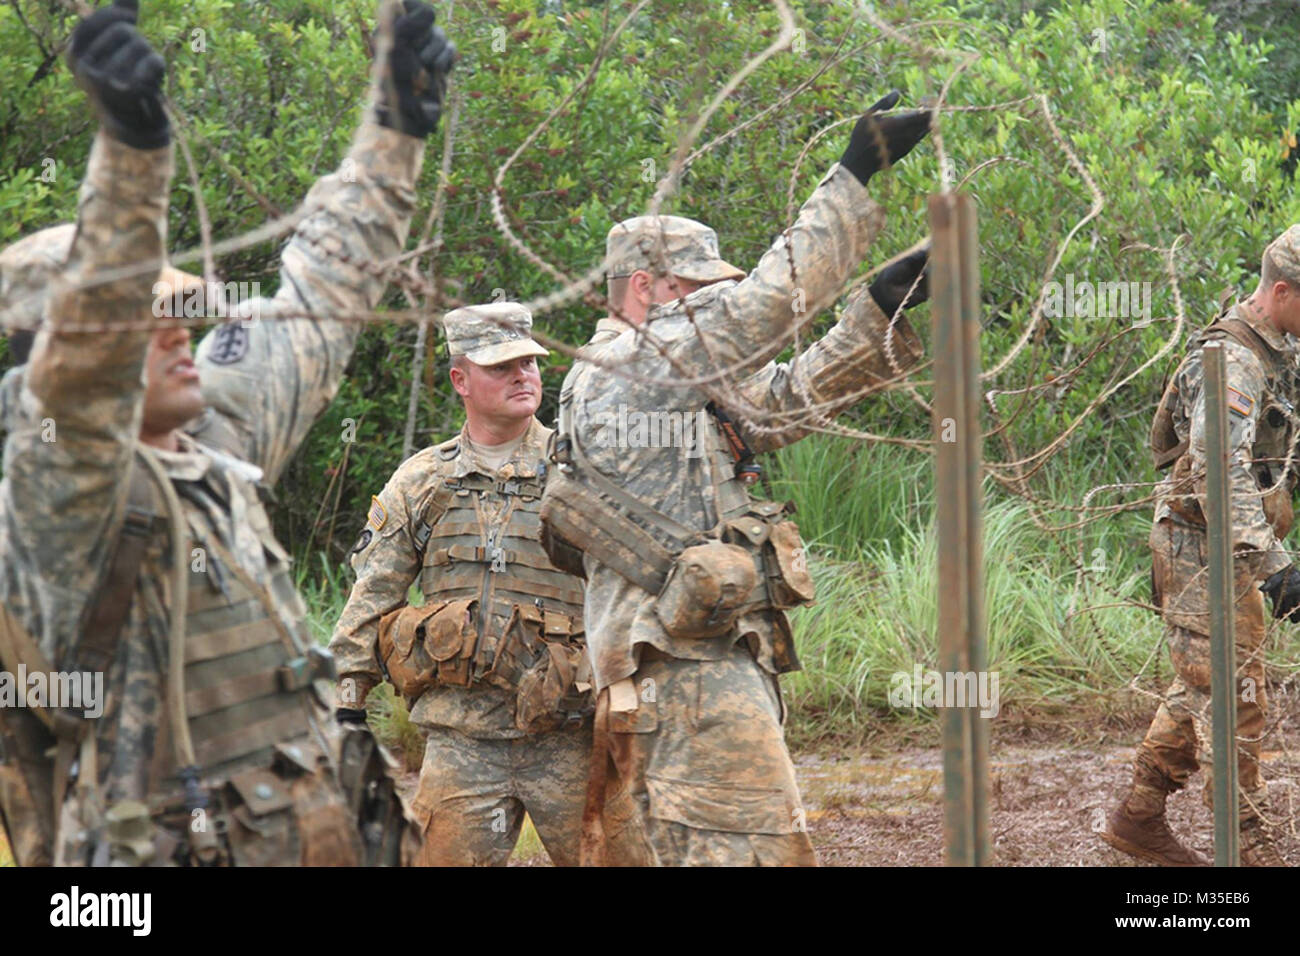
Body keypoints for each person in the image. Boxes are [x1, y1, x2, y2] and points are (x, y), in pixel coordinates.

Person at [0, 0, 455, 866]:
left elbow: (329, 278)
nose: (182, 335)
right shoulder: (55, 487)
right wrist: (132, 154)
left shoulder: (213, 440)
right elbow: (86, 364)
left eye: (182, 313)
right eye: (150, 319)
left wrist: (395, 120)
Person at [541, 91, 932, 865]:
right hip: (683, 675)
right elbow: (768, 306)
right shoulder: (632, 362)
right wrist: (855, 173)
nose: (717, 307)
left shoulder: (661, 375)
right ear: (645, 288)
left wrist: (878, 314)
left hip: (693, 666)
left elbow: (780, 406)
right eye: (700, 291)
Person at [330, 303, 650, 866]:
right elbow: (374, 594)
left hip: (572, 738)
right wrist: (345, 707)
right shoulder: (424, 480)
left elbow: (637, 584)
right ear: (461, 379)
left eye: (529, 362)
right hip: (462, 743)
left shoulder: (577, 471)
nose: (522, 375)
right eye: (502, 366)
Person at [1099, 225, 1300, 868]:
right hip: (1197, 542)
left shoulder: (1279, 348)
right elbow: (1219, 468)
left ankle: (1139, 816)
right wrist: (1274, 568)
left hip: (1230, 540)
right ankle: (1248, 840)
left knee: (1206, 684)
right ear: (1281, 290)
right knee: (1237, 693)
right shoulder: (1233, 357)